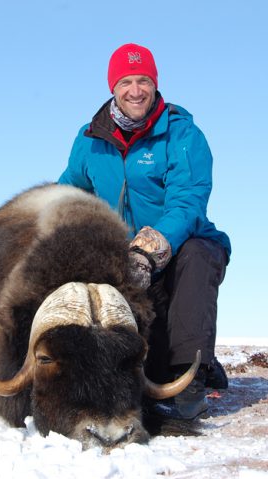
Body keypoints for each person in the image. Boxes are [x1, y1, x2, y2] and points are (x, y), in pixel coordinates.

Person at [58, 43, 231, 420]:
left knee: (199, 255)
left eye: (144, 81)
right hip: (122, 263)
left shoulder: (182, 134)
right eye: (126, 82)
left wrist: (147, 251)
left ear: (155, 84)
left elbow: (187, 202)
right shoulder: (89, 140)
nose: (135, 91)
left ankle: (190, 377)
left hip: (177, 253)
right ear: (113, 88)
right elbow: (69, 194)